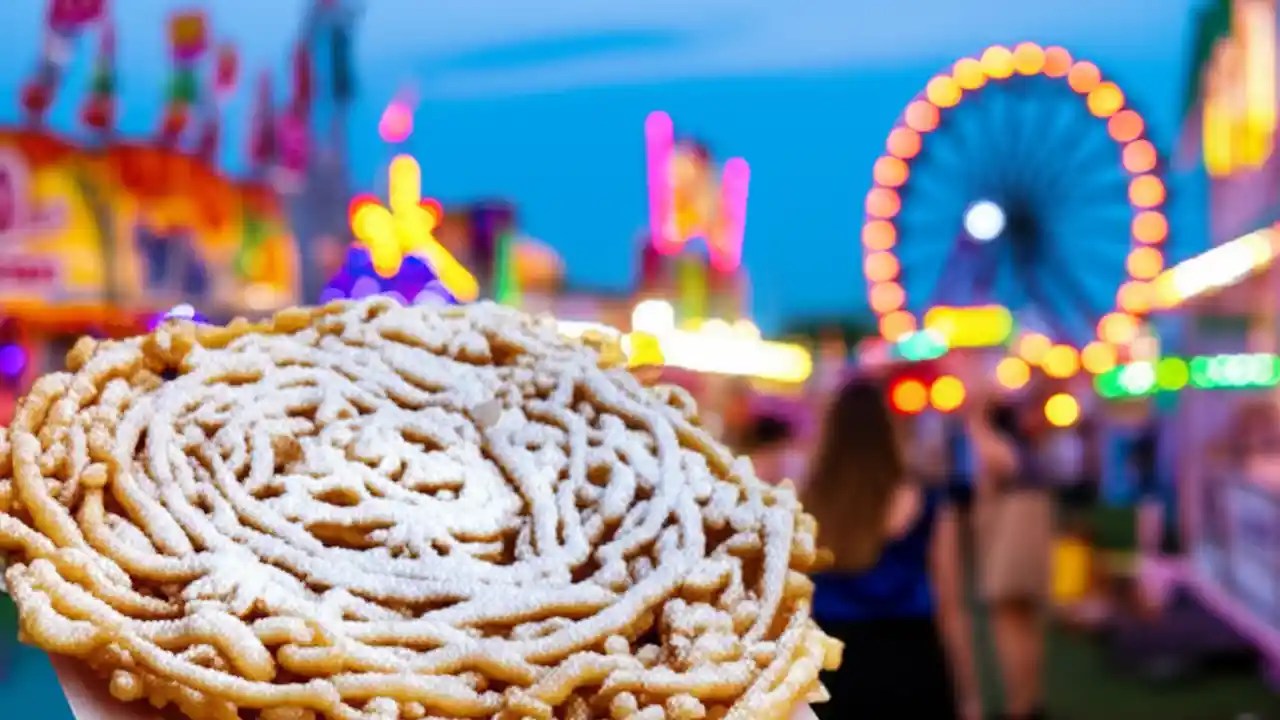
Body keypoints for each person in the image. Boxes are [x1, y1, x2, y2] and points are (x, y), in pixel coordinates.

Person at [804, 379, 980, 720]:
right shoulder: (927, 505)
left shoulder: (810, 505)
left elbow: (799, 606)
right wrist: (969, 695)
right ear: (890, 431)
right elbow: (951, 608)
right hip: (913, 661)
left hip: (835, 667)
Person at [968, 396, 1054, 720]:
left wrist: (974, 418)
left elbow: (993, 459)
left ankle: (1021, 705)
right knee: (1026, 623)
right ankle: (1030, 700)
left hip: (1012, 542)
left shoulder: (1004, 451)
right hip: (1026, 539)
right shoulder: (1029, 452)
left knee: (1009, 622)